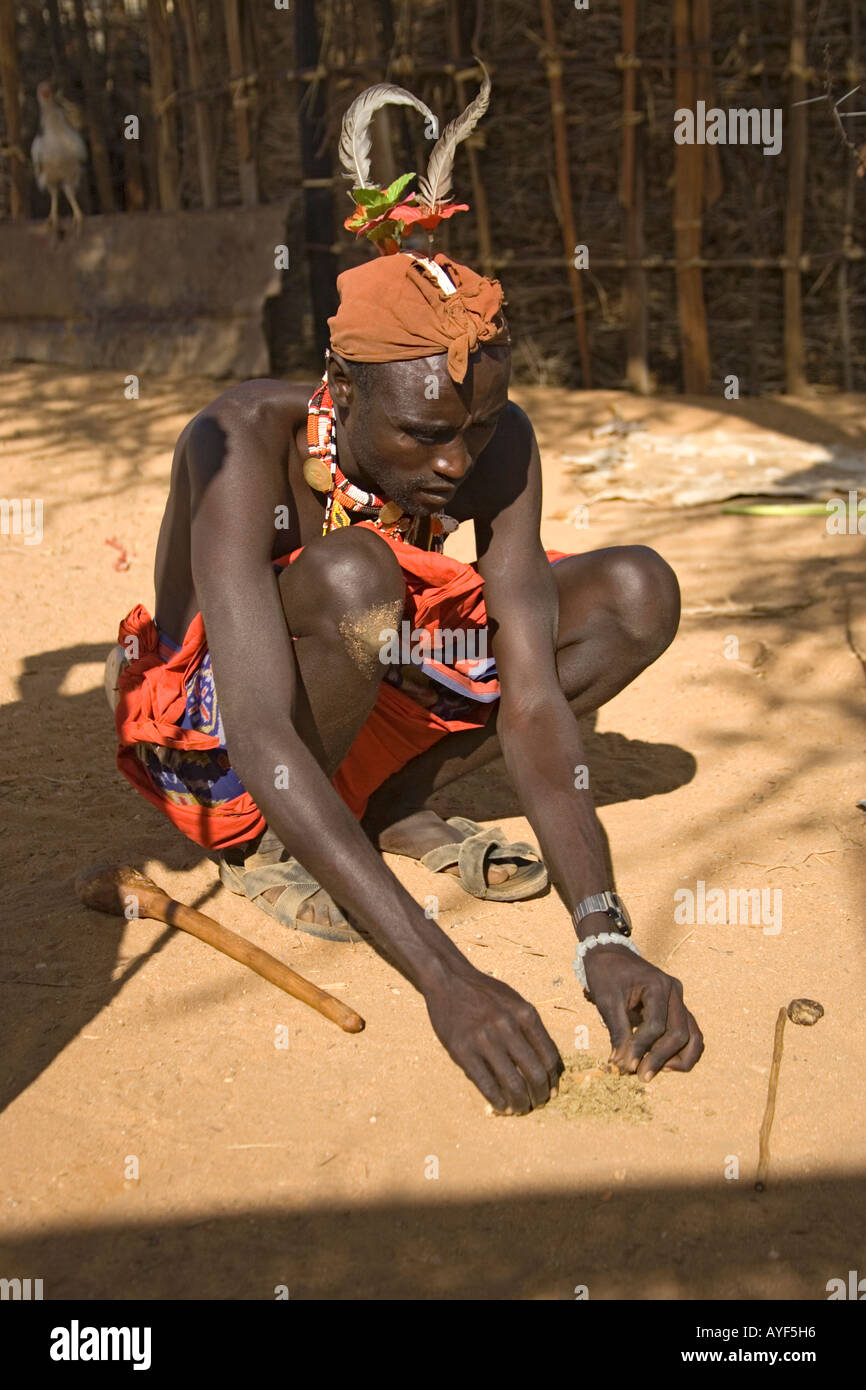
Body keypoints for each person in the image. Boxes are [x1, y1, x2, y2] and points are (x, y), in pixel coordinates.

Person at [108, 74, 703, 1116]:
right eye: (425, 433)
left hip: (358, 685)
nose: (455, 460)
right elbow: (254, 722)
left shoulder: (491, 441)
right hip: (215, 750)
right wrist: (444, 974)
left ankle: (384, 806)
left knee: (632, 592)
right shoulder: (238, 440)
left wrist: (602, 935)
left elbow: (531, 696)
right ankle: (269, 852)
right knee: (355, 574)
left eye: (475, 429)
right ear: (339, 392)